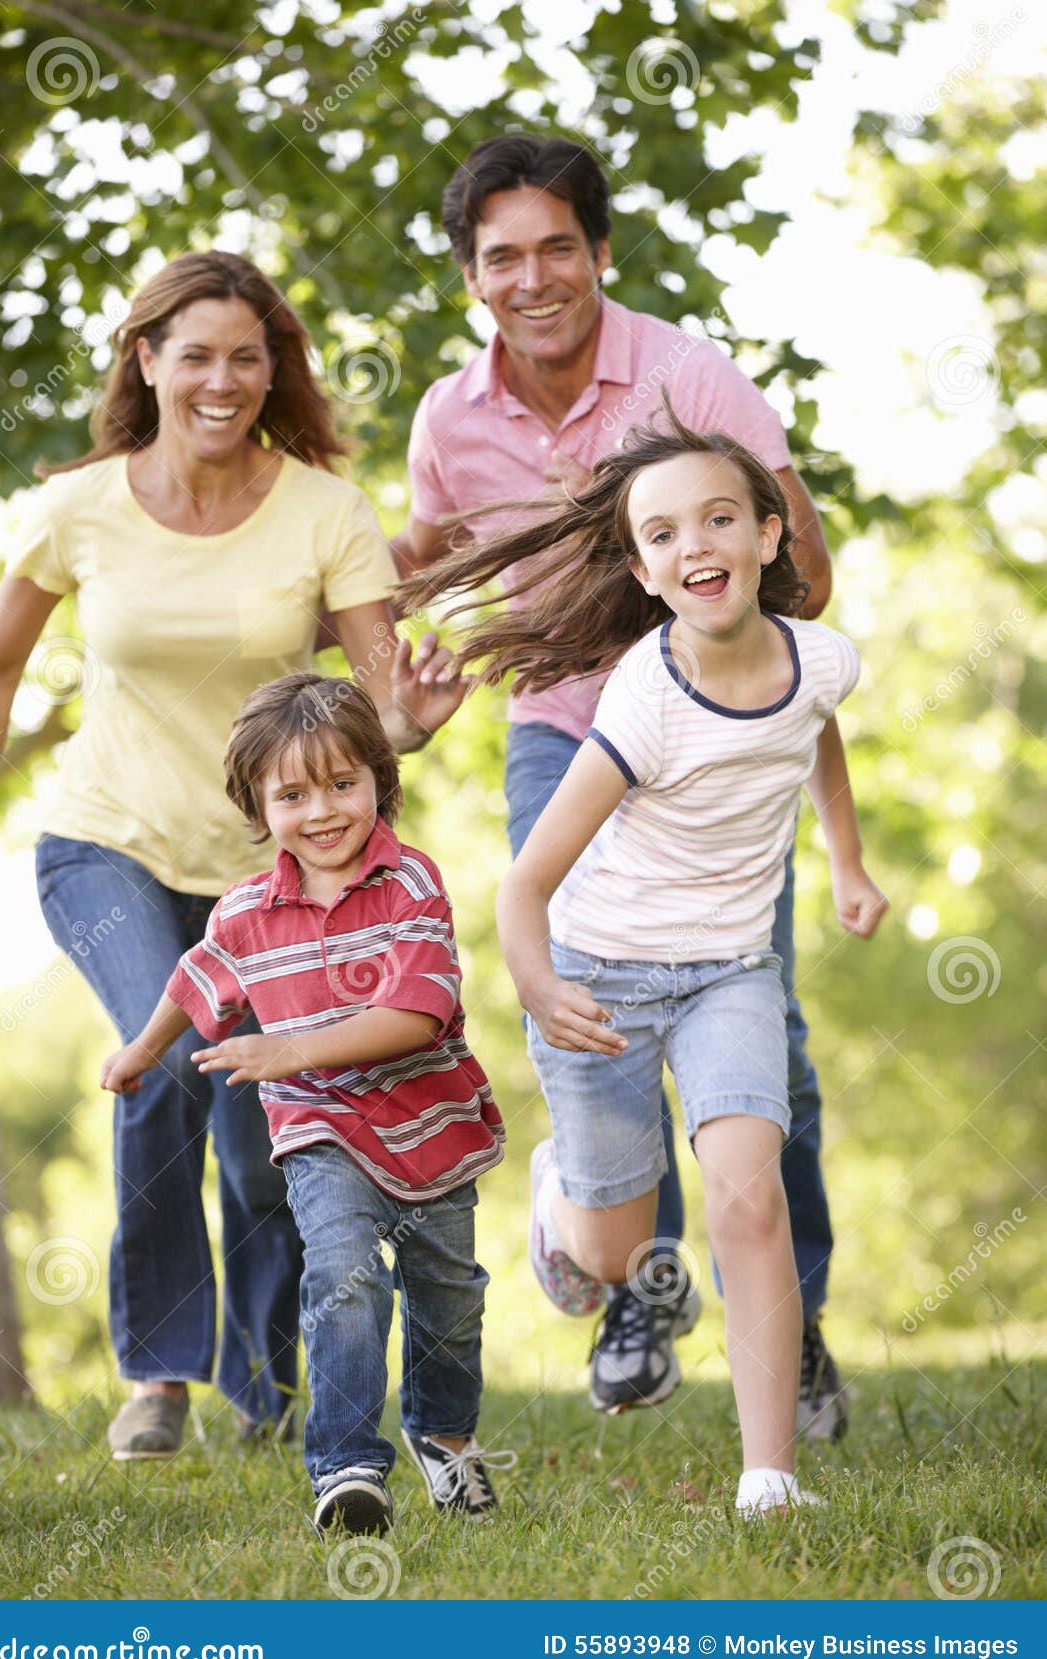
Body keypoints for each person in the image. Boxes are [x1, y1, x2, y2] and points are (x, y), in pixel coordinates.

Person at [394, 133, 849, 1436]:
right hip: (559, 737)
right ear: (469, 279)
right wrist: (315, 598)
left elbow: (797, 560)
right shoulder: (448, 417)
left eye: (555, 247)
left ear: (599, 251)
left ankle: (792, 1320)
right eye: (500, 257)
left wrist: (694, 622)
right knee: (594, 1018)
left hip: (710, 746)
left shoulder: (683, 374)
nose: (531, 276)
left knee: (765, 1047)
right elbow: (418, 557)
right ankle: (638, 1278)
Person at [0, 251, 463, 1459]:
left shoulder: (323, 511)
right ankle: (157, 1374)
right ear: (146, 360)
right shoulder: (77, 507)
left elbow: (377, 705)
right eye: (194, 353)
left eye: (247, 356)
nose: (222, 378)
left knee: (265, 1116)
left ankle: (266, 1378)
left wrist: (410, 720)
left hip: (269, 872)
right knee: (166, 1049)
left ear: (272, 369)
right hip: (107, 838)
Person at [420, 413, 887, 1513]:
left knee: (746, 1196)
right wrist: (538, 987)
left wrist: (847, 861)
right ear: (642, 568)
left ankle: (766, 1476)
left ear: (770, 534)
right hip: (603, 975)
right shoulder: (644, 694)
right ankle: (559, 1207)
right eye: (664, 533)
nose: (696, 544)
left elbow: (813, 729)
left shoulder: (820, 657)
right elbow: (524, 884)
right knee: (617, 1255)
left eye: (719, 517)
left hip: (730, 968)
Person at [100, 674, 509, 1535]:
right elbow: (197, 981)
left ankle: (444, 1435)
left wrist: (286, 1047)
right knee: (342, 1278)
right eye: (291, 794)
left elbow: (417, 1012)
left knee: (447, 1295)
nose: (321, 811)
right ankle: (347, 1466)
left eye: (341, 784)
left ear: (378, 781)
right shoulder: (247, 910)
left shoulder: (411, 886)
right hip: (318, 1127)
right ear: (257, 802)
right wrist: (142, 1052)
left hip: (429, 1125)